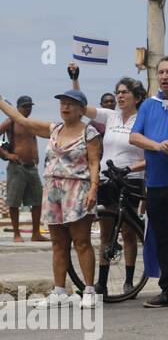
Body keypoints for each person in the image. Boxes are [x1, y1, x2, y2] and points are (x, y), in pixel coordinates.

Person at [0, 89, 101, 307]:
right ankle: (59, 291)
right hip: (53, 189)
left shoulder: (89, 132)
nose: (65, 107)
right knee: (58, 243)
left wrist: (94, 188)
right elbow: (19, 119)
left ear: (82, 109)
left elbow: (94, 162)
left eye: (71, 104)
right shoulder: (54, 129)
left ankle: (90, 290)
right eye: (63, 103)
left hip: (78, 188)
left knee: (81, 242)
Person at [74, 72, 148, 295]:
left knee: (127, 232)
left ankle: (128, 281)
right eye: (118, 92)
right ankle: (102, 283)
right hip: (108, 177)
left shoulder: (143, 118)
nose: (120, 96)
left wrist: (133, 168)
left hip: (131, 178)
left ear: (136, 97)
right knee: (106, 232)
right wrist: (75, 79)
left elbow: (149, 155)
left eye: (125, 92)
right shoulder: (110, 116)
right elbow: (80, 105)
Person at [132, 55, 168, 307]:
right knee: (163, 236)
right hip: (157, 183)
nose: (164, 76)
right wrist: (157, 145)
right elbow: (134, 137)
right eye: (161, 72)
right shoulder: (148, 106)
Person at [1, 94, 46, 242]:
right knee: (14, 202)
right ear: (18, 108)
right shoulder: (11, 122)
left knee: (37, 200)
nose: (28, 109)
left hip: (32, 167)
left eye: (29, 106)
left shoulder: (31, 123)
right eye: (25, 106)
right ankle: (16, 234)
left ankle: (36, 233)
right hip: (16, 166)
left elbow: (33, 138)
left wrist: (37, 154)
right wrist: (7, 155)